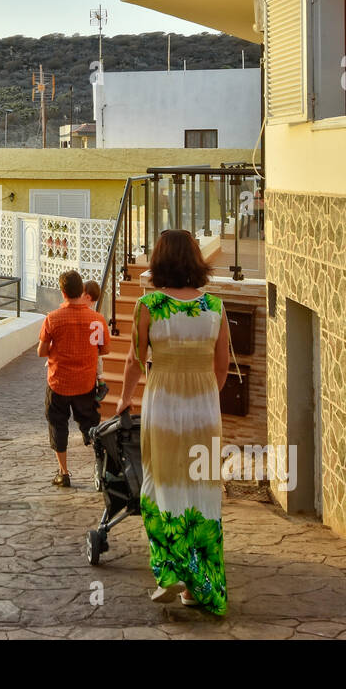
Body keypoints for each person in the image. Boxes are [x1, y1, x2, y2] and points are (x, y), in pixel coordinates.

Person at [114, 229, 230, 615]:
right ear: (196, 261)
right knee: (202, 491)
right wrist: (204, 397)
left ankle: (170, 573)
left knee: (159, 488)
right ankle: (199, 587)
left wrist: (123, 400)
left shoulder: (149, 305)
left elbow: (133, 360)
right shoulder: (215, 305)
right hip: (204, 407)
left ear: (159, 261)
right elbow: (222, 366)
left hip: (162, 403)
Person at [37, 270, 109, 488]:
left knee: (58, 425)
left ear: (63, 292)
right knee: (91, 426)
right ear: (82, 291)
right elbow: (103, 349)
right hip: (85, 382)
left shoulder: (53, 319)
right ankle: (101, 469)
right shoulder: (97, 320)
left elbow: (42, 351)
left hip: (59, 382)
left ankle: (64, 472)